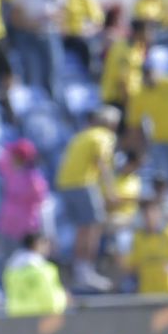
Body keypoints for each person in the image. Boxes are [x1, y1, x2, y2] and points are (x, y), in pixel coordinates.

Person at [57, 107, 120, 291]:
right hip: (82, 184)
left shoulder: (81, 135)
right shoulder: (103, 136)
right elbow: (101, 163)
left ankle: (80, 269)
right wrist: (110, 191)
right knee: (93, 226)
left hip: (65, 184)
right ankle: (86, 271)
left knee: (83, 227)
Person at [3, 233, 68, 318]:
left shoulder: (11, 268)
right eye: (45, 243)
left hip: (16, 313)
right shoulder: (43, 270)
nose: (47, 247)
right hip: (40, 314)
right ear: (36, 244)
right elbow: (49, 296)